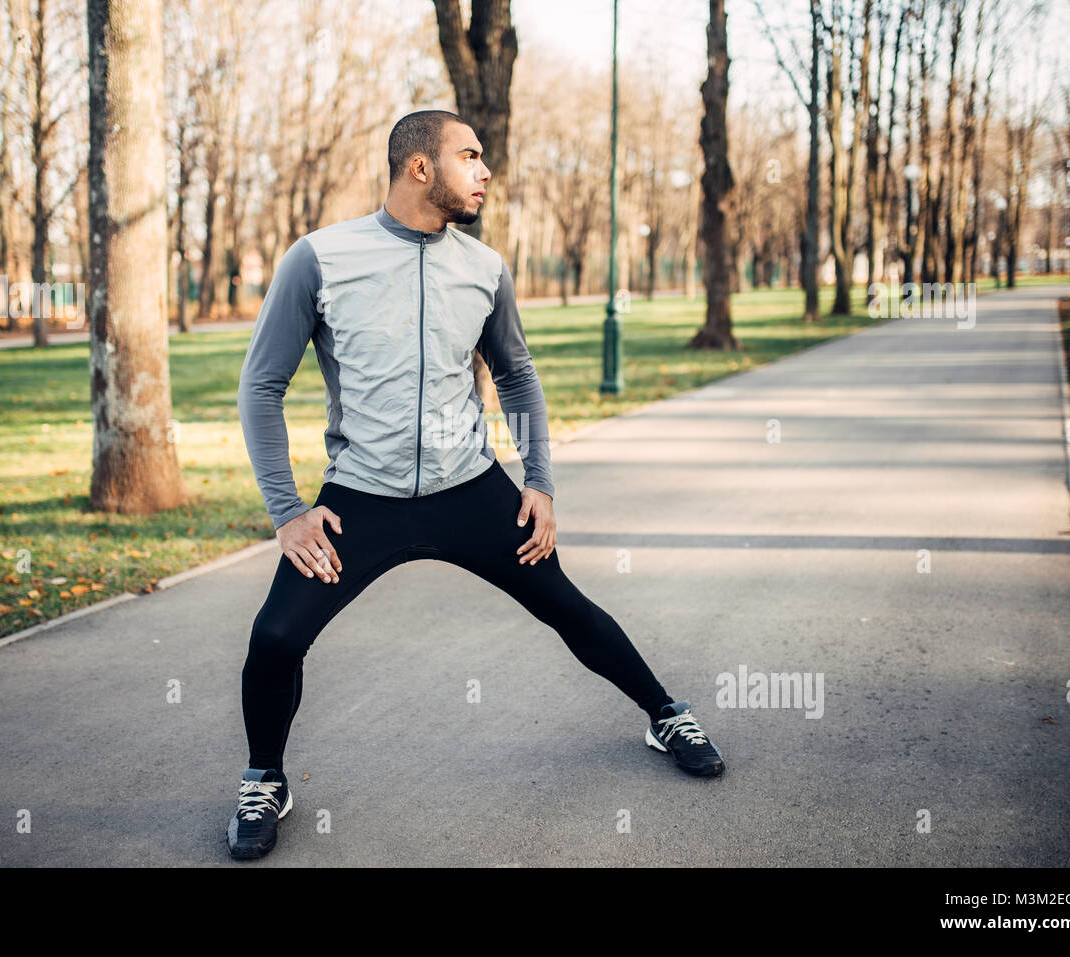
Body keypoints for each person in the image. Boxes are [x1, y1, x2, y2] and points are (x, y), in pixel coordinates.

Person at [229, 109, 725, 860]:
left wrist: (540, 480)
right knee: (275, 636)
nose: (485, 170)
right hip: (361, 499)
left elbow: (517, 374)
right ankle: (267, 776)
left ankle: (664, 713)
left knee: (565, 604)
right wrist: (288, 512)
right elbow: (261, 384)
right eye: (471, 155)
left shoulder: (483, 267)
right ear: (419, 167)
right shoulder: (321, 259)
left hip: (471, 489)